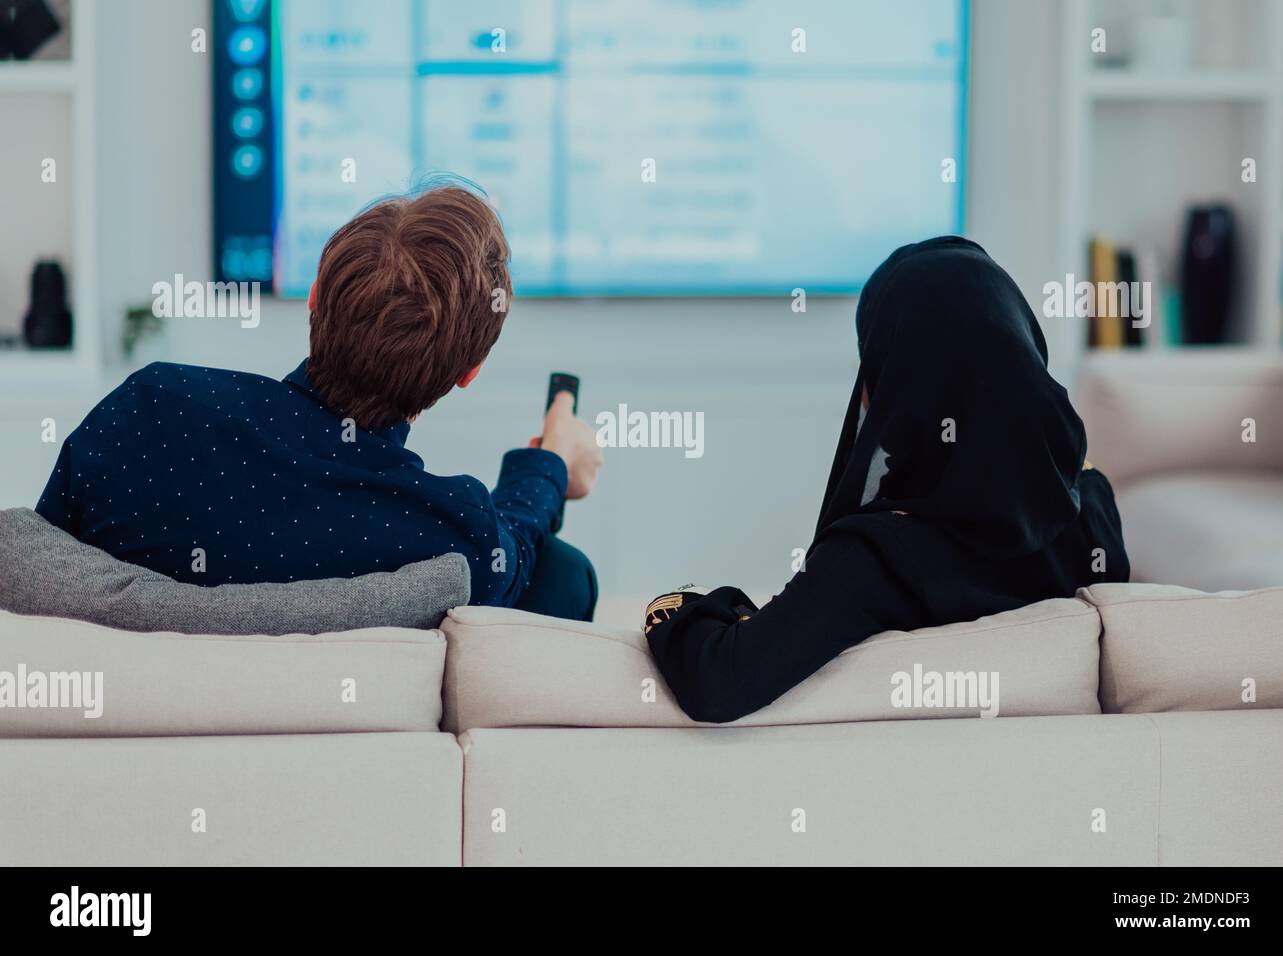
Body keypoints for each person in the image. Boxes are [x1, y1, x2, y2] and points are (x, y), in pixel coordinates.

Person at [36, 183, 603, 621]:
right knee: (562, 574)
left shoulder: (147, 409)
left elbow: (49, 568)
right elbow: (517, 552)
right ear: (469, 372)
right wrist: (551, 462)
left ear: (313, 298)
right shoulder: (448, 534)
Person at [643, 236, 1128, 722]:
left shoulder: (876, 560)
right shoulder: (1093, 515)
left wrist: (680, 607)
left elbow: (720, 682)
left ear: (893, 386)